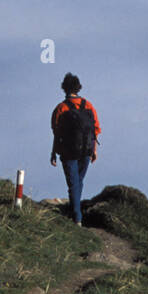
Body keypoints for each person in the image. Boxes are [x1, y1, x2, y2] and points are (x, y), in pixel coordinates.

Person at [50, 74, 101, 226]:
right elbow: (96, 130)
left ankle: (77, 217)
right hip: (86, 150)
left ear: (64, 88)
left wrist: (53, 152)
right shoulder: (88, 105)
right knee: (78, 182)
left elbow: (56, 133)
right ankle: (75, 212)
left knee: (73, 184)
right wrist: (94, 150)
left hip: (68, 152)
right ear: (78, 88)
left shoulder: (61, 108)